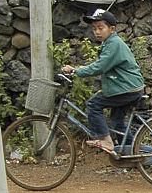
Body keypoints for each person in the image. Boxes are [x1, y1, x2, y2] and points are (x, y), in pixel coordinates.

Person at [61, 8, 144, 154]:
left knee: (93, 104)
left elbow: (100, 66)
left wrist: (76, 70)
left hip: (126, 88)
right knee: (117, 122)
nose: (97, 32)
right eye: (94, 29)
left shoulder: (114, 44)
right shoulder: (110, 42)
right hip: (127, 87)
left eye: (101, 28)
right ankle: (133, 155)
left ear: (112, 29)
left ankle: (106, 140)